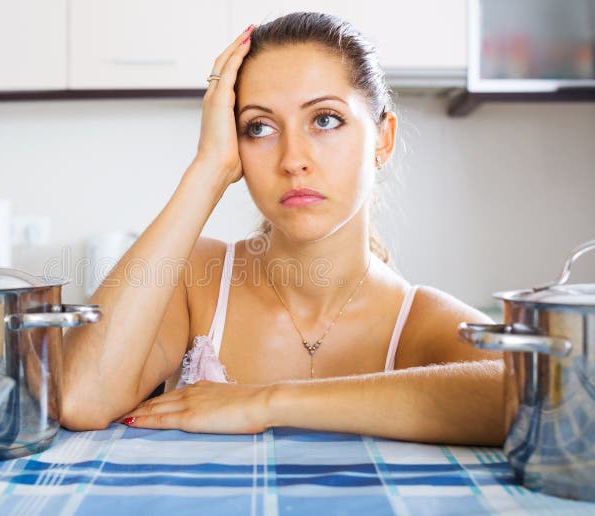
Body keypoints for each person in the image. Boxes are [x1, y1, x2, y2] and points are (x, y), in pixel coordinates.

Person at [58, 12, 504, 446]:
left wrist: (267, 402)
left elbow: (526, 393)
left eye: (325, 119)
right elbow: (81, 399)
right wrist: (208, 169)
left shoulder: (415, 321)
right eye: (260, 127)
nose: (293, 159)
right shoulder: (199, 281)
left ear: (382, 138)